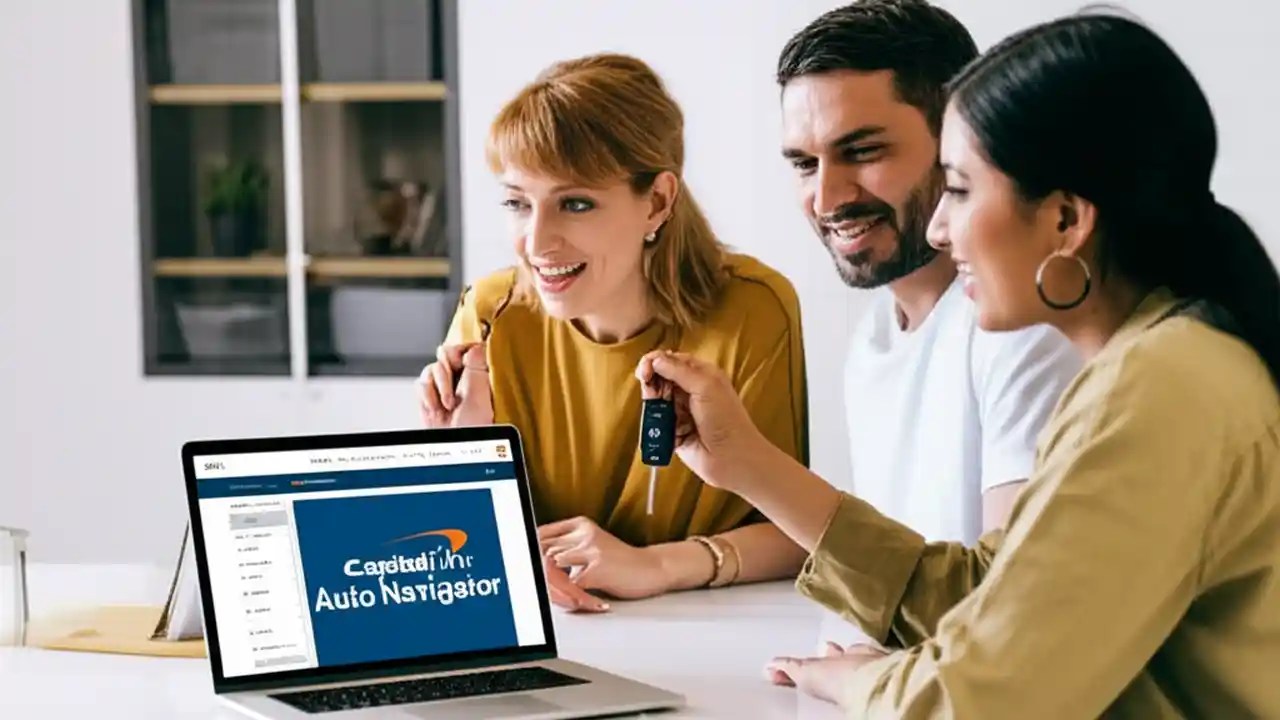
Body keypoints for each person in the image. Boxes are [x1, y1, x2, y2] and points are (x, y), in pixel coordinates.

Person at [640, 10, 1280, 717]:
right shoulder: (1162, 363)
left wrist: (860, 681)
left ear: (1067, 220)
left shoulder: (1158, 391)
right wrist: (743, 465)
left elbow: (978, 700)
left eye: (962, 189)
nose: (942, 226)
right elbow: (999, 593)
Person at [415, 53, 810, 613]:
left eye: (575, 203)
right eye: (517, 203)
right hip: (550, 634)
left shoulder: (751, 309)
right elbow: (442, 547)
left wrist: (657, 565)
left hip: (709, 629)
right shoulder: (490, 313)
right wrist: (459, 460)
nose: (536, 242)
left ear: (657, 201)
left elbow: (802, 531)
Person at [774, 0, 1080, 645]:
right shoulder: (873, 340)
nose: (826, 198)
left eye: (862, 151)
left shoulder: (1027, 325)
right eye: (805, 164)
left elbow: (1013, 612)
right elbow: (910, 597)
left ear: (959, 141)